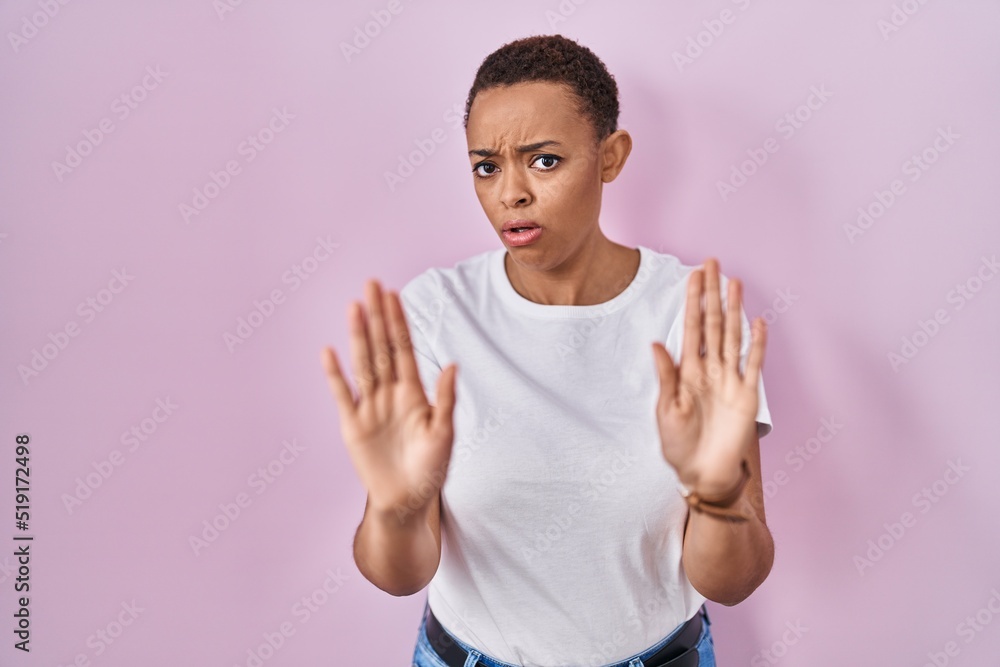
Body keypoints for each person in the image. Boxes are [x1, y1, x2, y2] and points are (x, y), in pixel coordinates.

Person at [321, 34, 774, 667]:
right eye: (487, 166)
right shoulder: (434, 315)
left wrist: (721, 500)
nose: (511, 193)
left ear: (610, 157)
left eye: (544, 161)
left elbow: (735, 581)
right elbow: (400, 575)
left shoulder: (693, 315)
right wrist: (398, 511)